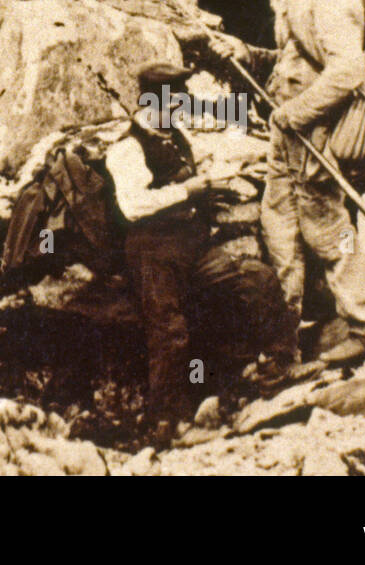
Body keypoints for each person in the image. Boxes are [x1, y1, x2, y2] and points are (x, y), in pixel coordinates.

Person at [210, 0, 365, 362]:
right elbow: (293, 60)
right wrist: (246, 53)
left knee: (327, 229)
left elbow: (347, 70)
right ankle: (281, 342)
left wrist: (296, 113)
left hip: (315, 136)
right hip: (286, 137)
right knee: (279, 231)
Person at [106, 60, 299, 445]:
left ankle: (277, 367)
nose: (181, 108)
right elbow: (132, 206)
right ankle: (167, 422)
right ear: (151, 102)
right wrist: (189, 191)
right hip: (152, 253)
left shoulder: (175, 136)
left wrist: (210, 186)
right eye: (174, 102)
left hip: (190, 246)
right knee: (170, 332)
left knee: (254, 277)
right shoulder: (127, 148)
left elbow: (190, 179)